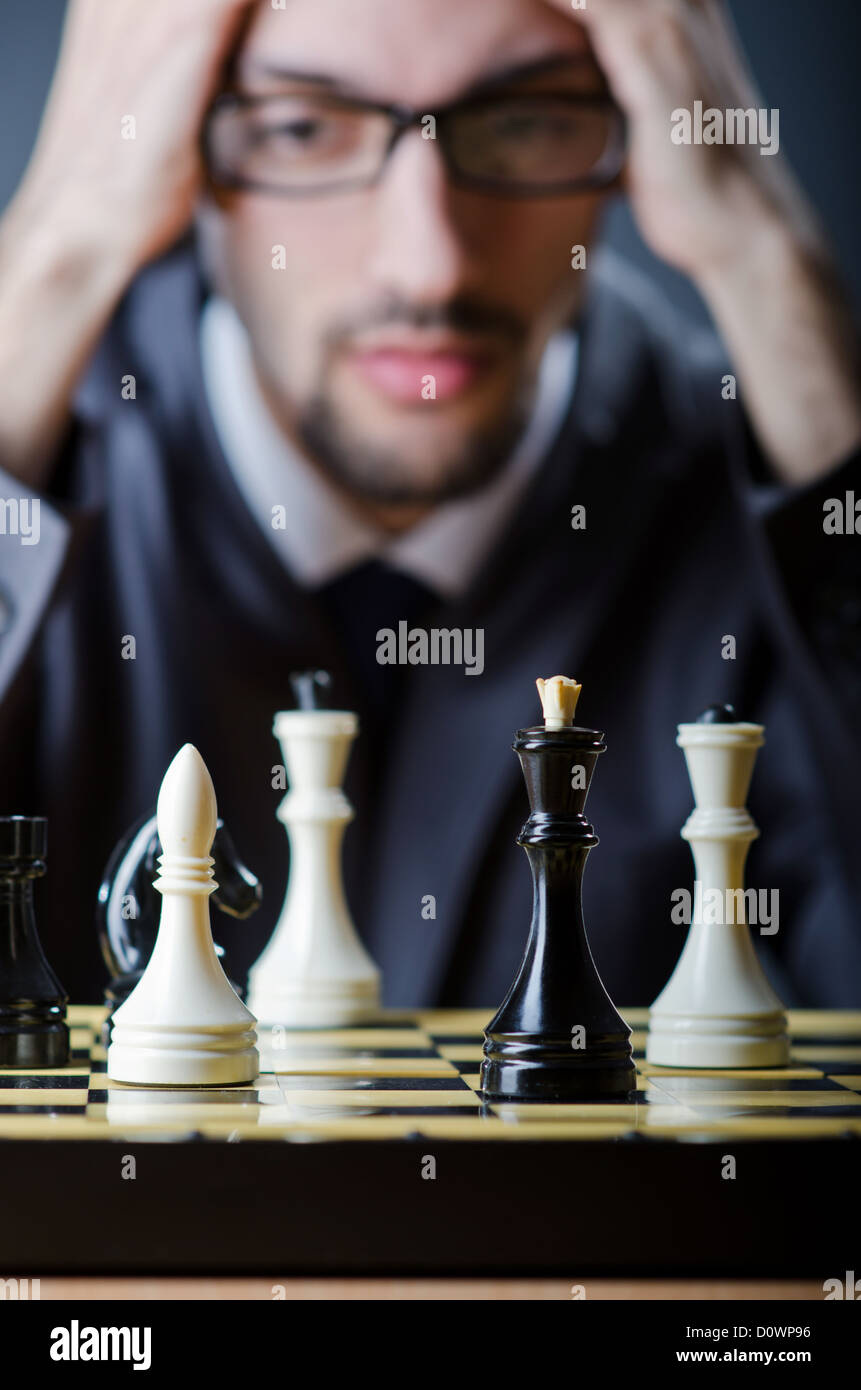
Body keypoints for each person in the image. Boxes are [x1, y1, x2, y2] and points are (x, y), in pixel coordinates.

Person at [0, 0, 858, 1007]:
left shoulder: (770, 479)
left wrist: (765, 252)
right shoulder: (42, 456)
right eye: (303, 127)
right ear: (171, 136)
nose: (431, 264)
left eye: (524, 118)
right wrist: (55, 251)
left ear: (643, 122)